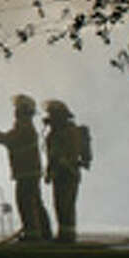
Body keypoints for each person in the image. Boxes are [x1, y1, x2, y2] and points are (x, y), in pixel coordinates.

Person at [0, 94, 52, 241]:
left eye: (18, 109)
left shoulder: (25, 129)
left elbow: (6, 140)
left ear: (23, 112)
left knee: (26, 202)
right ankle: (43, 232)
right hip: (29, 173)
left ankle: (32, 235)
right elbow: (6, 139)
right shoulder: (25, 127)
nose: (15, 113)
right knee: (35, 202)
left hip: (26, 173)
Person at [43, 99, 90, 243]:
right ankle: (63, 234)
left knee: (67, 204)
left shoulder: (73, 132)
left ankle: (68, 235)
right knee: (59, 204)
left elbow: (78, 153)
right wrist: (49, 172)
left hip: (69, 172)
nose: (50, 118)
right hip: (59, 173)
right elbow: (51, 155)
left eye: (53, 115)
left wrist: (67, 162)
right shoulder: (53, 135)